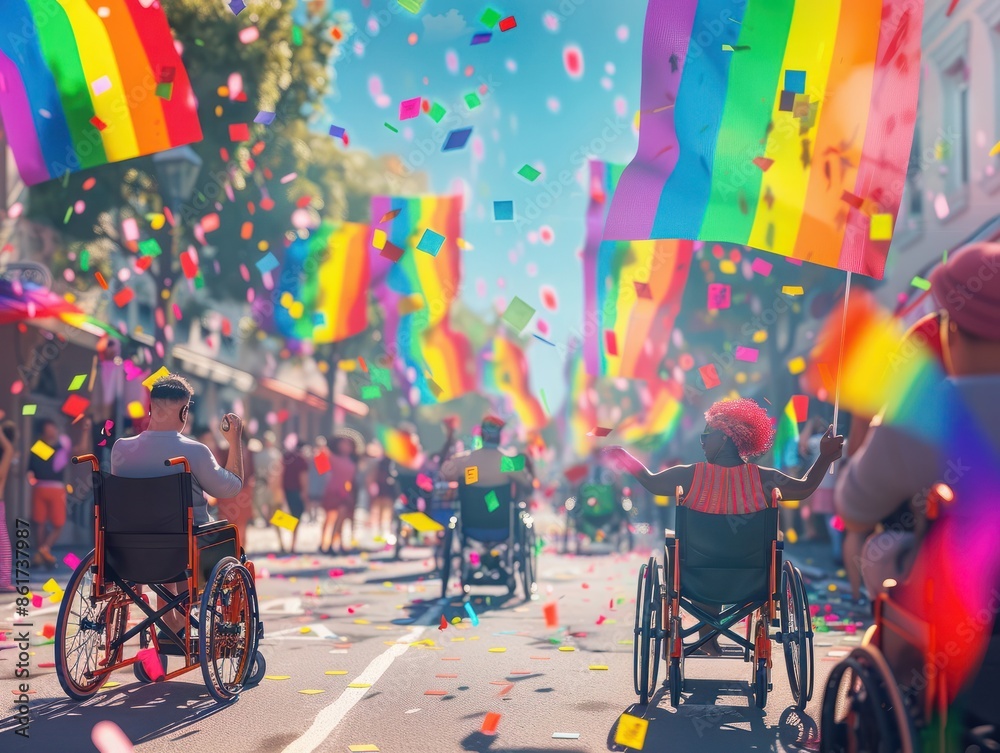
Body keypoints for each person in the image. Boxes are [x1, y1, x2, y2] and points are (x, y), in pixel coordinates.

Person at [606, 397, 844, 654]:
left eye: (705, 435)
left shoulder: (688, 475)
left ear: (723, 437)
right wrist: (825, 457)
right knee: (725, 551)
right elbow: (805, 487)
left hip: (696, 576)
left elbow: (651, 482)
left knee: (703, 553)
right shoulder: (764, 478)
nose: (702, 441)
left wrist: (623, 456)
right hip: (753, 577)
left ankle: (707, 635)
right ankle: (709, 636)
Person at [835, 242, 1000, 599]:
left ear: (951, 331)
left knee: (888, 556)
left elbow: (855, 508)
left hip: (961, 608)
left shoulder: (929, 413)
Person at [111, 375, 243, 637]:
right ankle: (178, 621)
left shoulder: (121, 449)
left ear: (151, 407)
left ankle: (170, 622)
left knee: (168, 534)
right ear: (185, 411)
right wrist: (234, 441)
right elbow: (231, 487)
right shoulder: (194, 451)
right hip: (184, 550)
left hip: (128, 550)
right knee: (199, 535)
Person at [27, 417, 89, 569]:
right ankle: (43, 554)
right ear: (43, 432)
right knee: (39, 522)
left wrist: (85, 431)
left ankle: (42, 552)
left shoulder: (61, 446)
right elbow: (33, 469)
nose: (52, 432)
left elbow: (80, 450)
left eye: (53, 428)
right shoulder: (41, 447)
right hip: (41, 487)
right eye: (49, 429)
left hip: (57, 488)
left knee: (58, 523)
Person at [441, 416, 533, 490]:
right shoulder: (510, 463)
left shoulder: (461, 461)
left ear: (481, 435)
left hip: (470, 512)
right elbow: (528, 485)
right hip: (501, 513)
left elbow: (443, 479)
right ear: (500, 436)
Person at [320, 436, 359, 555]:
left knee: (341, 519)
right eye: (343, 444)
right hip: (332, 491)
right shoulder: (332, 457)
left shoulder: (352, 460)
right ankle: (323, 543)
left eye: (348, 445)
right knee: (329, 518)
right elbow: (321, 465)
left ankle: (334, 543)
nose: (345, 447)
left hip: (345, 493)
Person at [280, 440, 309, 554]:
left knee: (284, 516)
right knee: (296, 518)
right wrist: (305, 494)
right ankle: (292, 544)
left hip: (284, 490)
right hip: (296, 491)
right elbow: (304, 479)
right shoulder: (301, 461)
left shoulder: (286, 457)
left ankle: (284, 542)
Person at [0, 421, 18, 593]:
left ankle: (4, 580)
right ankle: (4, 581)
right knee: (3, 544)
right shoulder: (8, 452)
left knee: (3, 544)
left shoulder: (8, 454)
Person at [253, 431, 282, 527]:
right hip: (261, 482)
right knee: (260, 503)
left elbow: (279, 468)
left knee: (273, 504)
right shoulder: (258, 455)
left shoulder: (276, 454)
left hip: (274, 483)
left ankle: (274, 521)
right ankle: (266, 519)